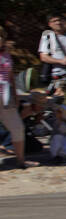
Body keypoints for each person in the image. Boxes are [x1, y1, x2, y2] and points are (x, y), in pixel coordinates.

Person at [0, 28, 32, 170]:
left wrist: (15, 95)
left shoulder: (6, 55)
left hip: (6, 96)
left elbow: (11, 77)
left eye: (1, 36)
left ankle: (21, 161)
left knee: (17, 127)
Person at [37, 14, 66, 85]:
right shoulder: (48, 36)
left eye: (60, 20)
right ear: (50, 24)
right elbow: (43, 57)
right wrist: (61, 61)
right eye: (54, 21)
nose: (58, 23)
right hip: (58, 75)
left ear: (64, 21)